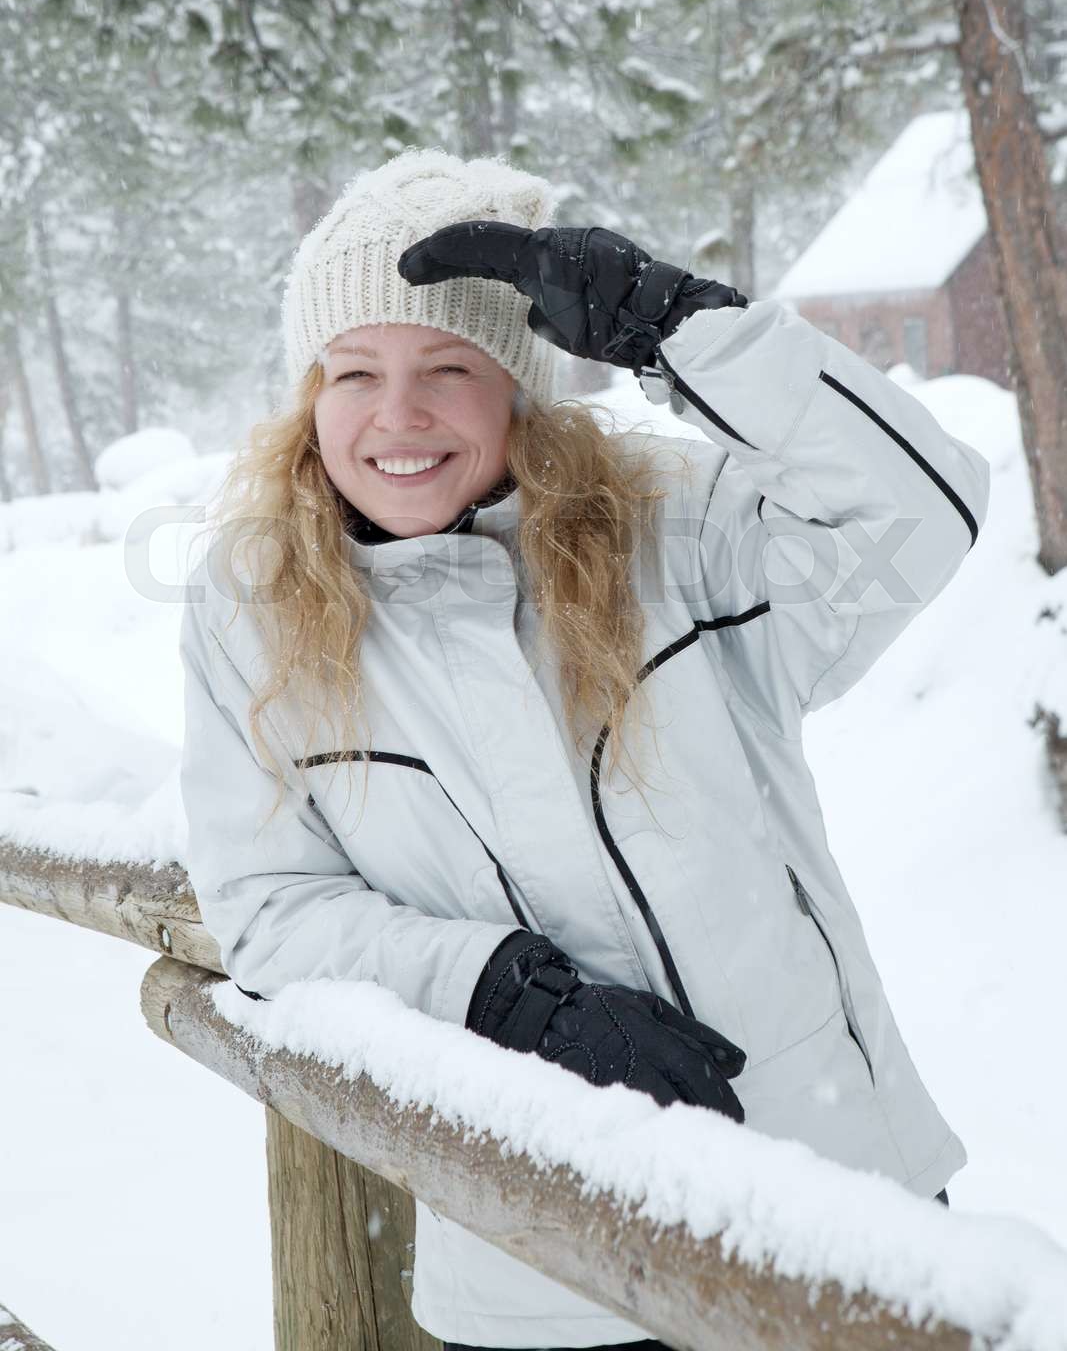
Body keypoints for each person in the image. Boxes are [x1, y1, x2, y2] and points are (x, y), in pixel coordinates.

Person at [179, 148, 985, 1351]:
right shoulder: (250, 605)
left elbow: (919, 505)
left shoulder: (681, 526)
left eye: (448, 365)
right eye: (353, 371)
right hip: (534, 1258)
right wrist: (498, 991)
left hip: (828, 1206)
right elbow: (269, 909)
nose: (395, 415)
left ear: (520, 387)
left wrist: (682, 331)